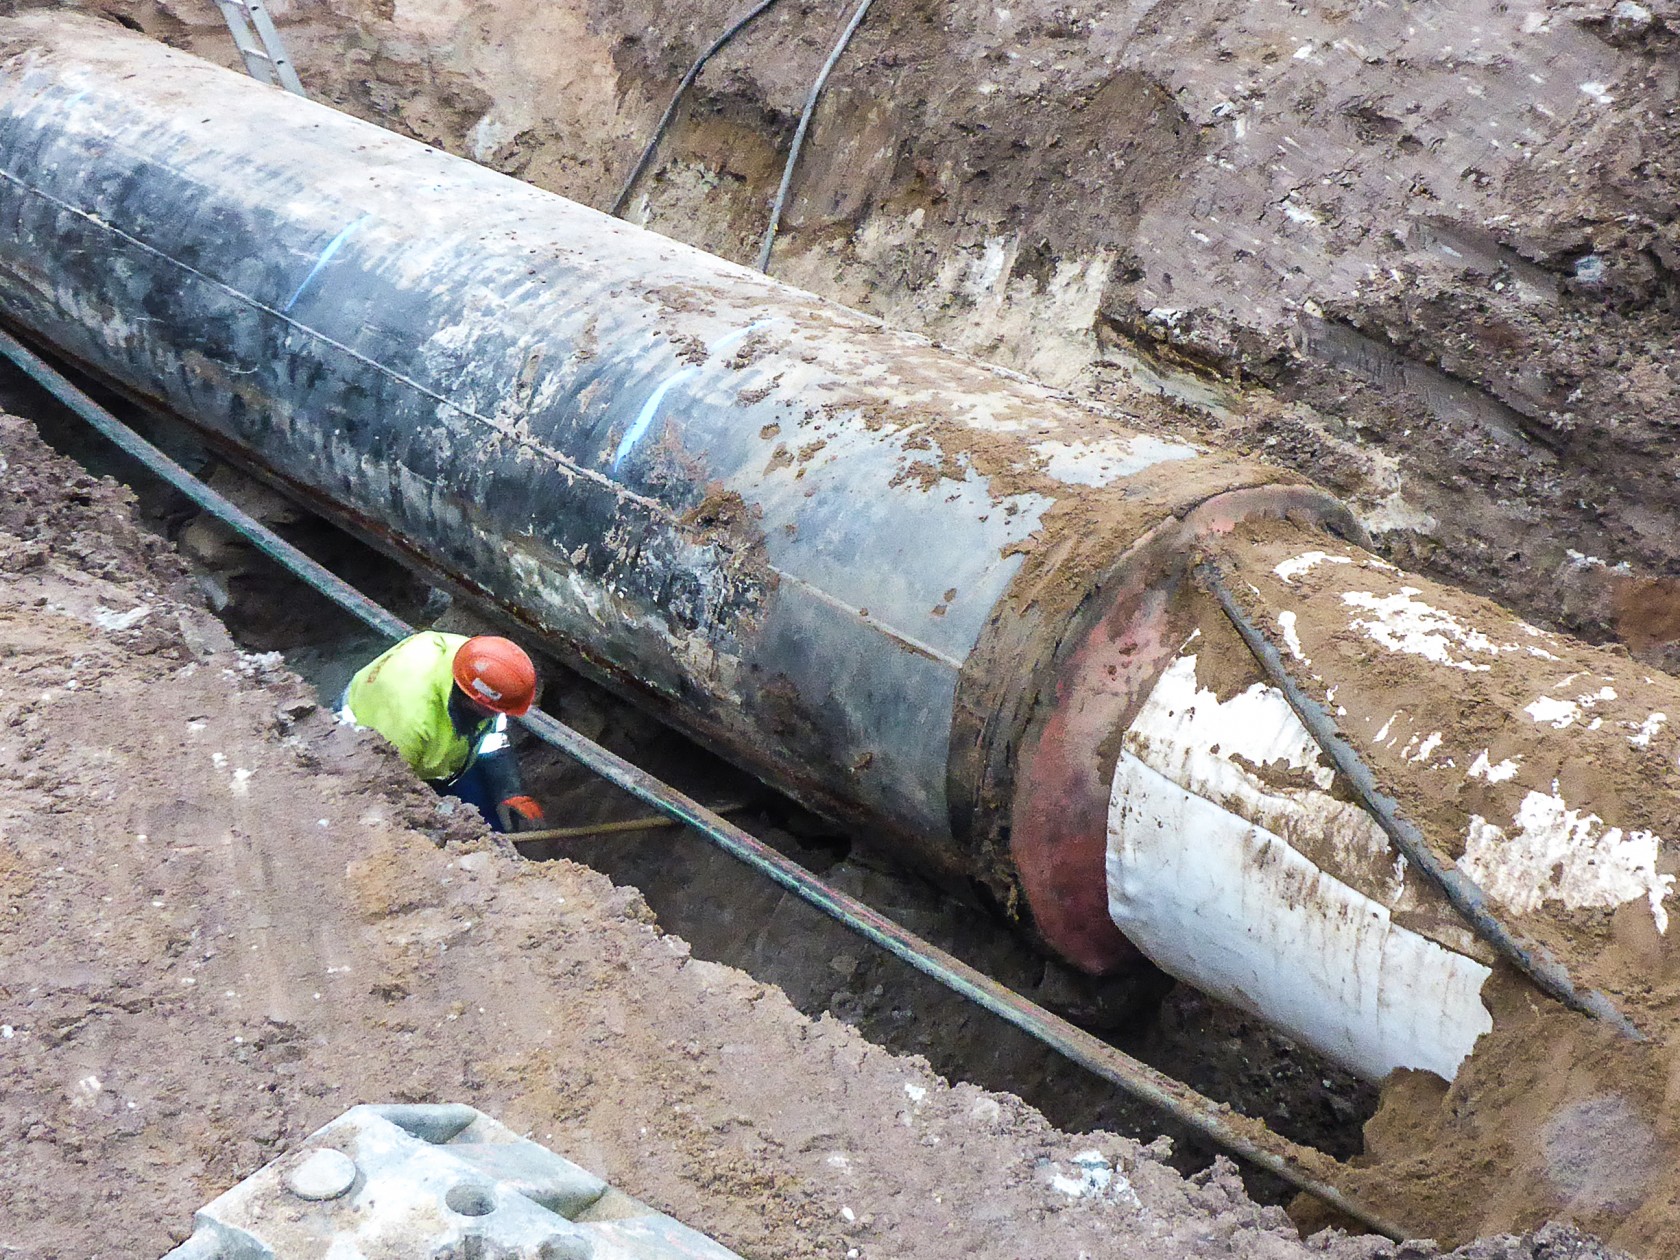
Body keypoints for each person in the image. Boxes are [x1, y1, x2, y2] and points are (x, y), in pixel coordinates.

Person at [339, 631, 546, 834]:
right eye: (494, 710)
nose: (498, 715)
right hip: (381, 745)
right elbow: (389, 790)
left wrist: (508, 789)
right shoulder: (407, 724)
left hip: (444, 750)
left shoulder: (477, 663)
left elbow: (492, 734)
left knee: (489, 823)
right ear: (475, 700)